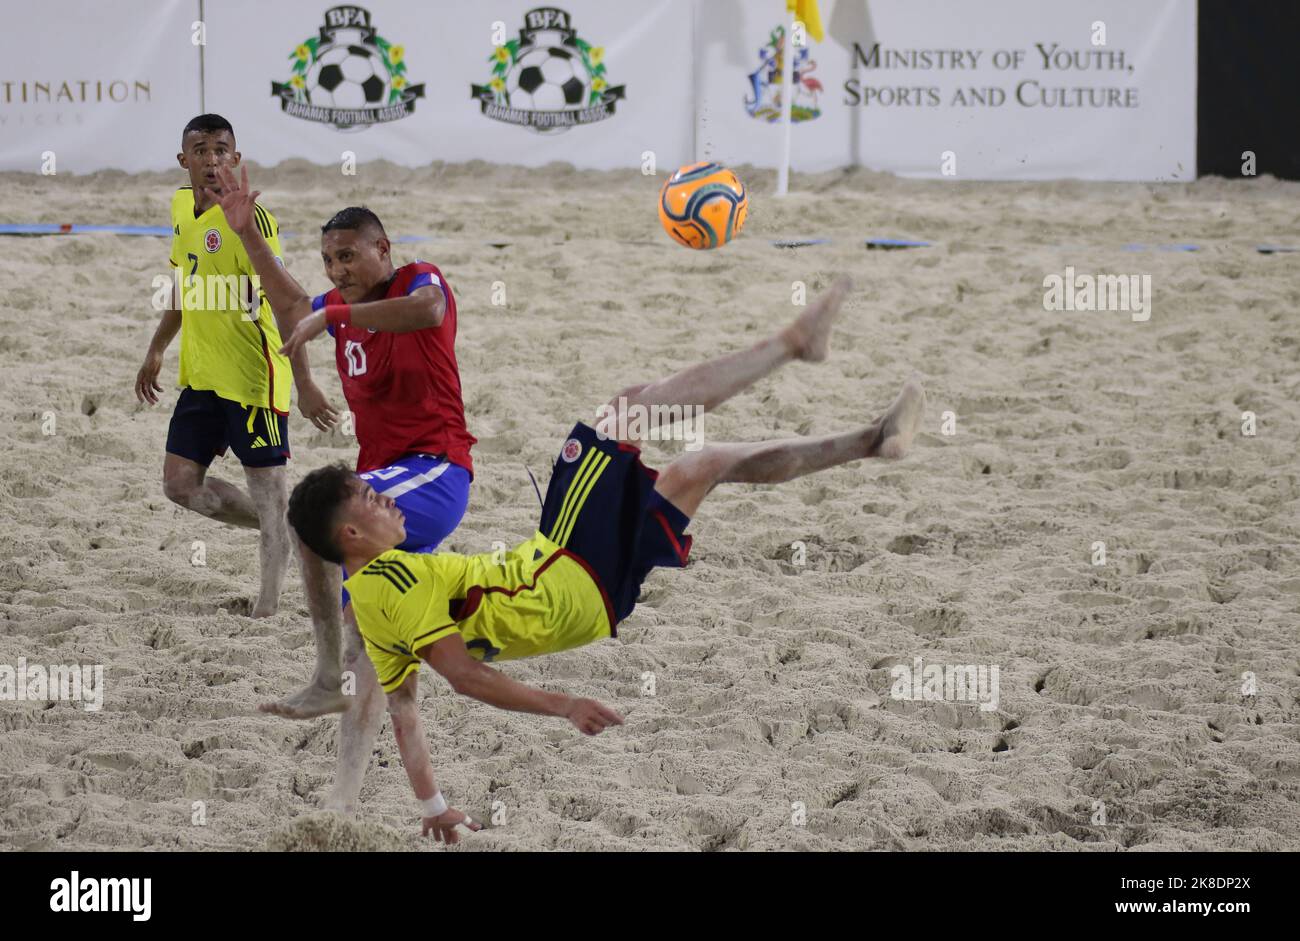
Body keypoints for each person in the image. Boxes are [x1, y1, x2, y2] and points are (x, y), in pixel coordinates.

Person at [285, 278, 926, 841]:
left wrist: (435, 806)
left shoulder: (371, 609)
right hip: (561, 568)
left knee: (702, 466)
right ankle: (793, 343)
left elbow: (404, 714)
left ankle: (872, 441)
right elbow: (464, 677)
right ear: (352, 536)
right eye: (372, 499)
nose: (388, 501)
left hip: (592, 605)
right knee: (623, 412)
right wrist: (564, 704)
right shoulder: (393, 579)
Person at [212, 165, 476, 812]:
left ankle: (325, 675)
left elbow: (427, 311)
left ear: (383, 249)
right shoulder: (341, 308)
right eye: (329, 259)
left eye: (349, 255)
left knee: (311, 517)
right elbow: (291, 304)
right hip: (384, 487)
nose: (338, 269)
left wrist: (335, 312)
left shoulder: (418, 280)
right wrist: (247, 235)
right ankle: (342, 808)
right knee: (374, 652)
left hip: (434, 471)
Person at [134, 114, 336, 618]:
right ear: (184, 161)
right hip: (202, 375)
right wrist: (158, 346)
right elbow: (185, 282)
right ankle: (289, 527)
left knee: (267, 493)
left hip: (254, 378)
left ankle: (265, 609)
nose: (211, 160)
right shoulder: (182, 207)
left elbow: (289, 302)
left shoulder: (250, 219)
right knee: (180, 485)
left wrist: (306, 382)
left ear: (236, 159)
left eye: (221, 150)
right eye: (200, 151)